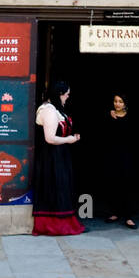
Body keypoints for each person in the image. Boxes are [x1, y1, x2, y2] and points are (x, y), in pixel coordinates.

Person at [32, 80, 84, 236]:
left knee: (61, 188)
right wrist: (69, 139)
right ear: (59, 94)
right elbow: (50, 138)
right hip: (51, 157)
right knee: (54, 188)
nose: (67, 98)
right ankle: (53, 226)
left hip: (59, 155)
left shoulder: (56, 109)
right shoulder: (48, 110)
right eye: (66, 95)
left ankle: (65, 224)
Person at [103, 94, 136, 228]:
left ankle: (128, 216)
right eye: (115, 101)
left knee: (127, 183)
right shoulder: (109, 116)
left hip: (127, 155)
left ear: (125, 103)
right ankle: (114, 212)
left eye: (120, 102)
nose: (117, 104)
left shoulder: (130, 117)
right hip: (112, 155)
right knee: (113, 182)